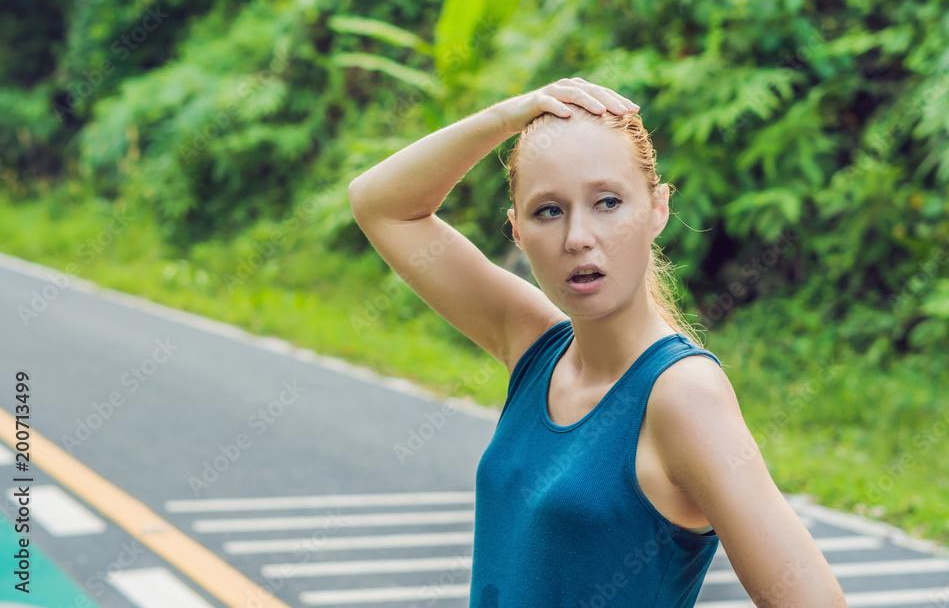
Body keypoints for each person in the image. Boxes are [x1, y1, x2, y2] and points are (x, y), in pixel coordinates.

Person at [348, 77, 848, 606]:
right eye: (548, 210)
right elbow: (379, 205)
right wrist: (507, 117)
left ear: (658, 209)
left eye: (608, 202)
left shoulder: (682, 396)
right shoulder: (534, 344)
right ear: (517, 231)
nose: (578, 238)